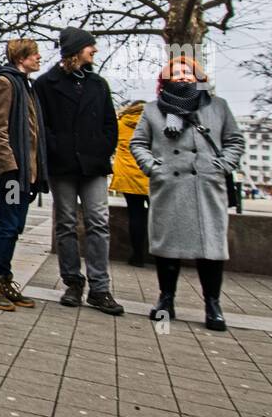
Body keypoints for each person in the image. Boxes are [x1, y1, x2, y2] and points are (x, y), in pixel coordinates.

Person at [130, 56, 244, 332]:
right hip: (170, 185)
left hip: (206, 186)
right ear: (165, 80)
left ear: (198, 77)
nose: (182, 76)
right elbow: (139, 143)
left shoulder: (218, 107)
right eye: (176, 72)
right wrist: (153, 167)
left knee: (210, 249)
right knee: (168, 248)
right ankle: (166, 300)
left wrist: (223, 165)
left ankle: (212, 304)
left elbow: (234, 141)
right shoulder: (153, 110)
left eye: (188, 71)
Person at [33, 27, 124, 315]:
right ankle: (72, 282)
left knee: (98, 221)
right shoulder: (47, 84)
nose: (94, 51)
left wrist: (102, 147)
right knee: (66, 223)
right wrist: (57, 148)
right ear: (74, 50)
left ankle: (100, 288)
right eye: (89, 47)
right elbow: (41, 126)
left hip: (94, 165)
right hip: (64, 165)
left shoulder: (98, 84)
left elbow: (111, 123)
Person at [0, 38, 48, 310]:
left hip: (24, 172)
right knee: (6, 224)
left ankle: (2, 278)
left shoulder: (27, 86)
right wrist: (11, 168)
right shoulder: (4, 83)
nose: (40, 58)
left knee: (14, 226)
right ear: (21, 57)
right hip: (9, 172)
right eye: (35, 54)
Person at [111, 100, 150, 266]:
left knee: (136, 215)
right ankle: (158, 254)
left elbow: (111, 144)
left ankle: (138, 255)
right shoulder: (151, 123)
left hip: (127, 175)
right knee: (157, 217)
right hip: (150, 174)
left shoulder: (121, 123)